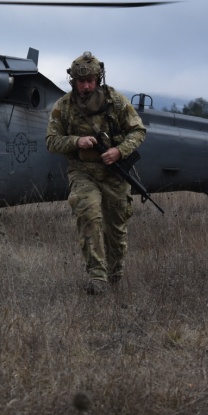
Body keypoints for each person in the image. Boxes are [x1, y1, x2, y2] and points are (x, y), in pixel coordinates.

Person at [45, 51, 146, 295]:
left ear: (98, 79)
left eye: (91, 80)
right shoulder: (64, 107)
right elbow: (51, 141)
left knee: (117, 231)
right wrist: (75, 142)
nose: (86, 86)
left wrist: (119, 151)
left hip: (115, 173)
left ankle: (114, 276)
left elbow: (138, 131)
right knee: (88, 217)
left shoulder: (116, 102)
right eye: (82, 81)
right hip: (83, 173)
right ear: (74, 82)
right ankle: (97, 278)